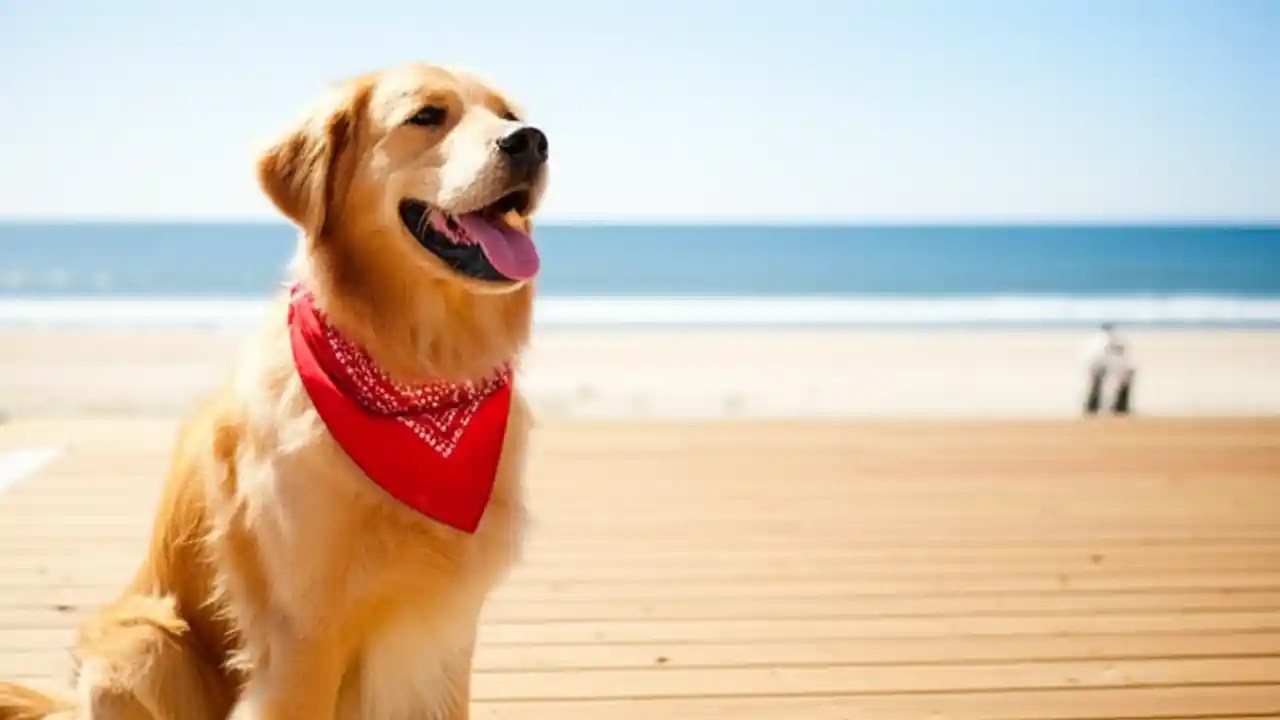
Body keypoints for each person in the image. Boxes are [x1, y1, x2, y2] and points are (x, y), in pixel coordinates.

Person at [1080, 323, 1135, 416]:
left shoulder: (1097, 341)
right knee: (1097, 388)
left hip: (1100, 366)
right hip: (1098, 365)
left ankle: (1094, 409)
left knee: (1097, 388)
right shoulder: (1106, 341)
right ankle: (1094, 409)